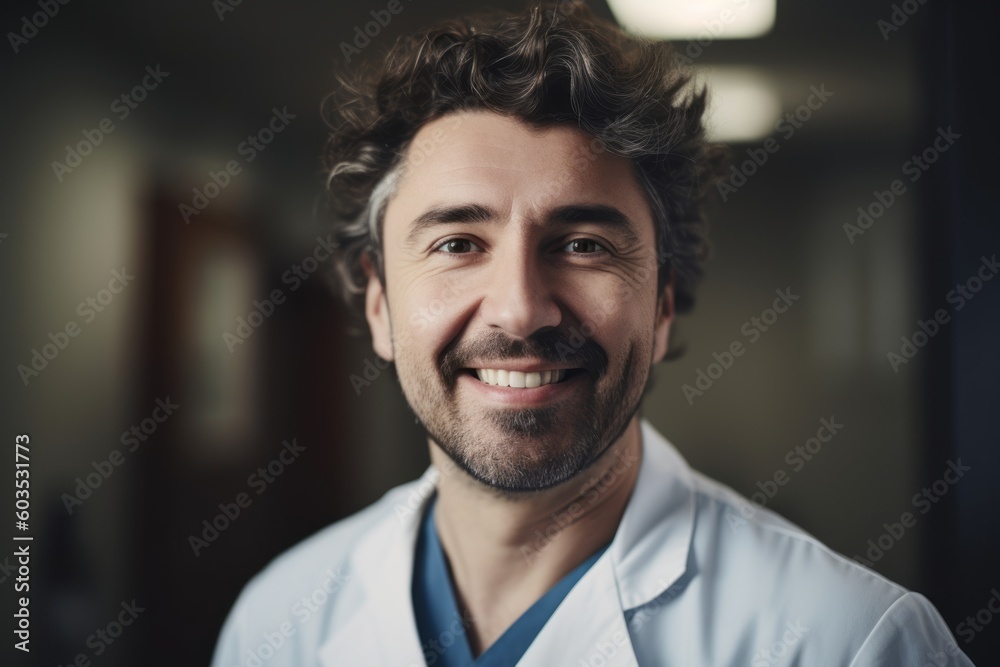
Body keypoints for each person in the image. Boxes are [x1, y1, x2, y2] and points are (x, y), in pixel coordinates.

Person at [212, 2, 974, 665]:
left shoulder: (850, 642)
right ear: (378, 304)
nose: (519, 308)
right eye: (457, 244)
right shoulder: (279, 620)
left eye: (583, 245)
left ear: (664, 303)